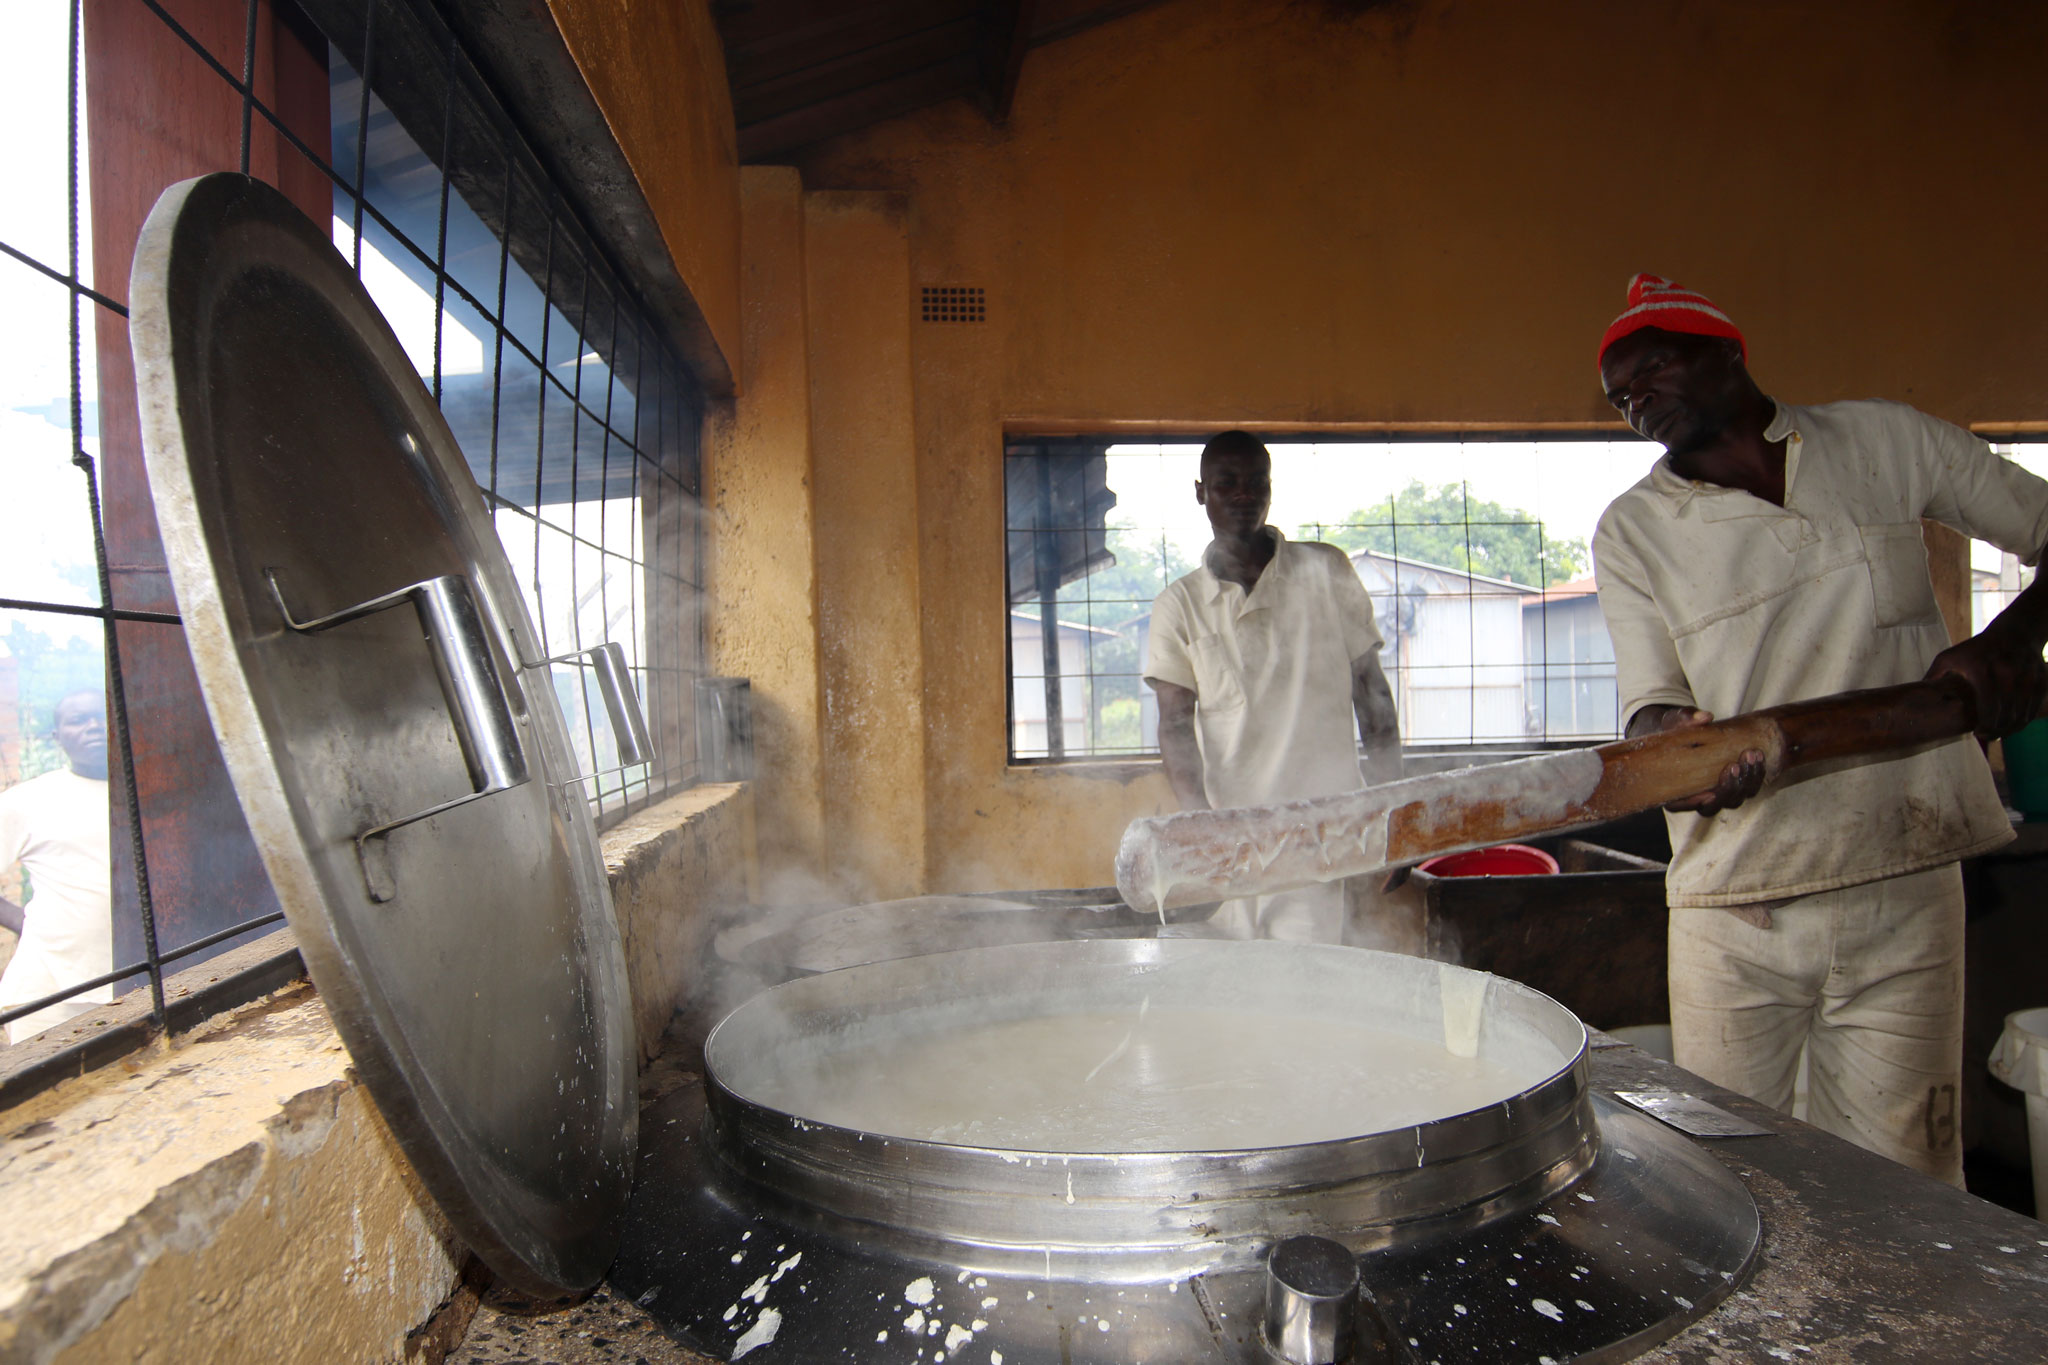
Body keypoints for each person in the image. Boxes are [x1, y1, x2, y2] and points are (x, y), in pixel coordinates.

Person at [1590, 274, 2048, 1184]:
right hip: (1741, 896)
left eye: (1651, 369)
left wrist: (2008, 645)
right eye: (1619, 396)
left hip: (1905, 871)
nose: (1635, 400)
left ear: (1726, 349)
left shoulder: (1883, 441)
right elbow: (1650, 701)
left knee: (1907, 1172)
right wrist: (1676, 739)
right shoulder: (1635, 531)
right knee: (1736, 1179)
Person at [1143, 430, 1401, 941]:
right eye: (1227, 483)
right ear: (1201, 493)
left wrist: (1397, 815)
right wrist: (1201, 825)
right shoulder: (1181, 605)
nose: (1244, 494)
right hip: (1230, 837)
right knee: (1234, 992)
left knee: (1300, 980)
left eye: (1256, 482)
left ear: (1270, 488)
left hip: (1319, 831)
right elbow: (1174, 726)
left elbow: (1373, 698)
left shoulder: (1326, 571)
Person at [0, 690, 114, 1045]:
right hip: (49, 993)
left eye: (100, 716)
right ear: (57, 736)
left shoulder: (151, 794)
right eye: (78, 721)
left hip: (141, 982)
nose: (93, 727)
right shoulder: (28, 801)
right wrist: (23, 922)